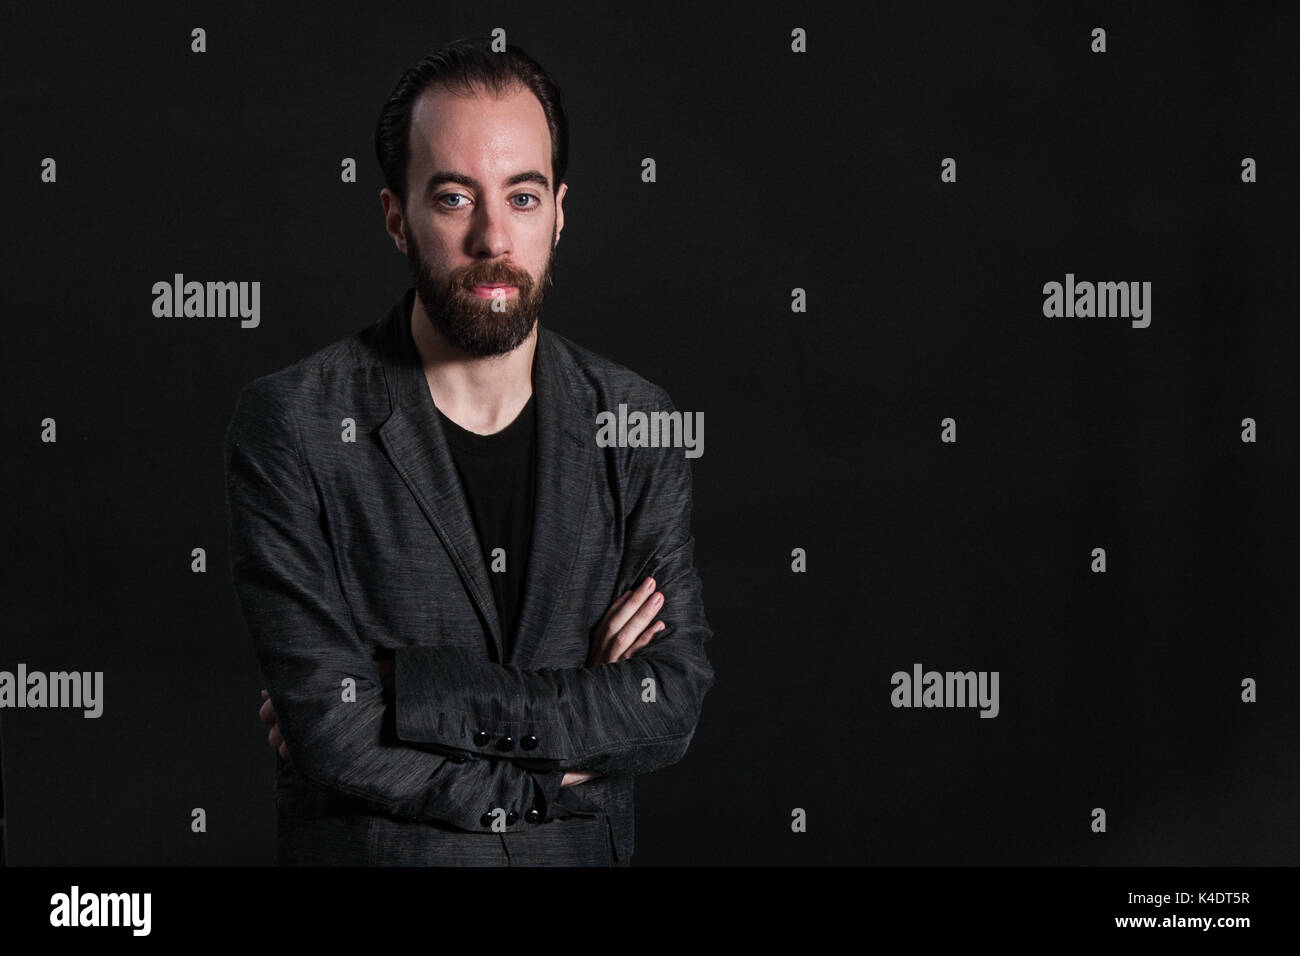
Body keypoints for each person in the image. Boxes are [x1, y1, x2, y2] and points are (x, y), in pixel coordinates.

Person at [224, 37, 715, 866]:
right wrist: (554, 763)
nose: (494, 237)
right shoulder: (293, 425)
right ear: (395, 216)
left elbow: (668, 701)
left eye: (522, 198)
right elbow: (330, 729)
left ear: (559, 211)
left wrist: (411, 690)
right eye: (454, 198)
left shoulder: (637, 424)